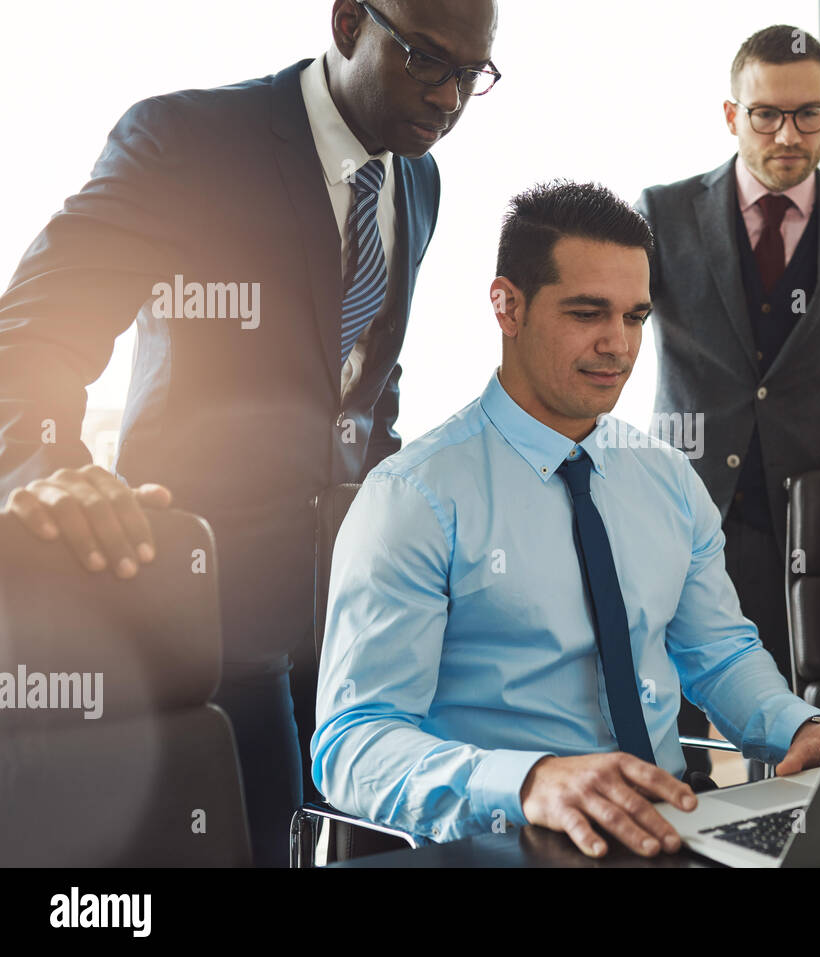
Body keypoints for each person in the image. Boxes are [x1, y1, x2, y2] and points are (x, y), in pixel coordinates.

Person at [0, 0, 500, 866]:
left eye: (472, 75)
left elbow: (364, 391)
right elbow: (34, 333)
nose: (450, 98)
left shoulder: (418, 176)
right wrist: (56, 466)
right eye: (426, 61)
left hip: (351, 610)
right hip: (209, 605)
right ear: (348, 23)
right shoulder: (189, 139)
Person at [312, 181, 820, 858]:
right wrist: (528, 779)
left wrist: (799, 725)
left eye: (635, 317)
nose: (617, 345)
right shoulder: (413, 497)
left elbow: (721, 654)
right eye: (588, 312)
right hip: (506, 840)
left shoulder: (670, 480)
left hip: (667, 827)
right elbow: (353, 745)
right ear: (507, 306)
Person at [635, 24, 820, 776]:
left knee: (787, 710)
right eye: (766, 114)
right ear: (732, 116)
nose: (786, 133)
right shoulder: (661, 214)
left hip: (798, 506)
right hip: (677, 493)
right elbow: (612, 324)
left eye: (806, 114)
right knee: (669, 709)